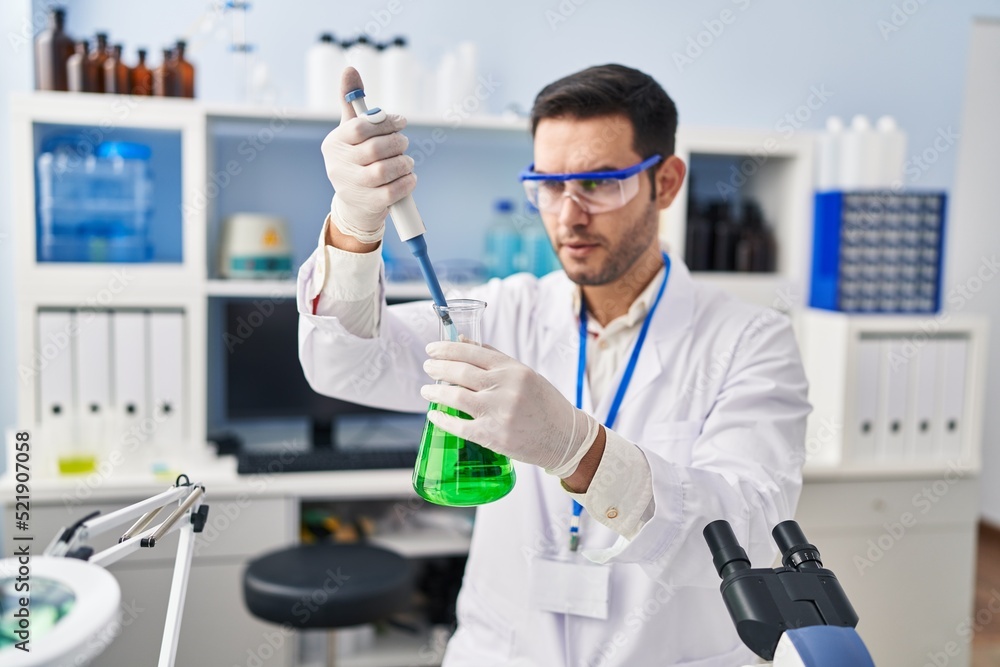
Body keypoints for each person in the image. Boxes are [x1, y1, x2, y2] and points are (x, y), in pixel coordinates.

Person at [297, 63, 811, 666]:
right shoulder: (505, 311)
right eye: (548, 183)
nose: (568, 215)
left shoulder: (751, 341)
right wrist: (356, 225)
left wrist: (581, 449)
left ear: (666, 183)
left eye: (599, 182)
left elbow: (747, 532)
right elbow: (346, 363)